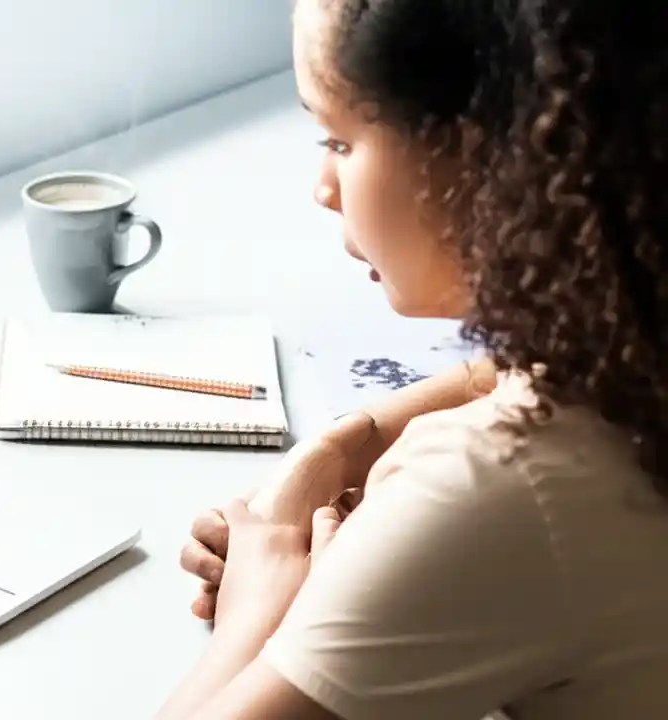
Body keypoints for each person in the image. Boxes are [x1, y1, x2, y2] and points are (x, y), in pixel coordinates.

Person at [157, 1, 668, 718]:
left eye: (337, 140)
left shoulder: (499, 488)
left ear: (474, 156)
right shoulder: (629, 339)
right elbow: (519, 374)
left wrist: (264, 608)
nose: (322, 189)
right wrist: (343, 447)